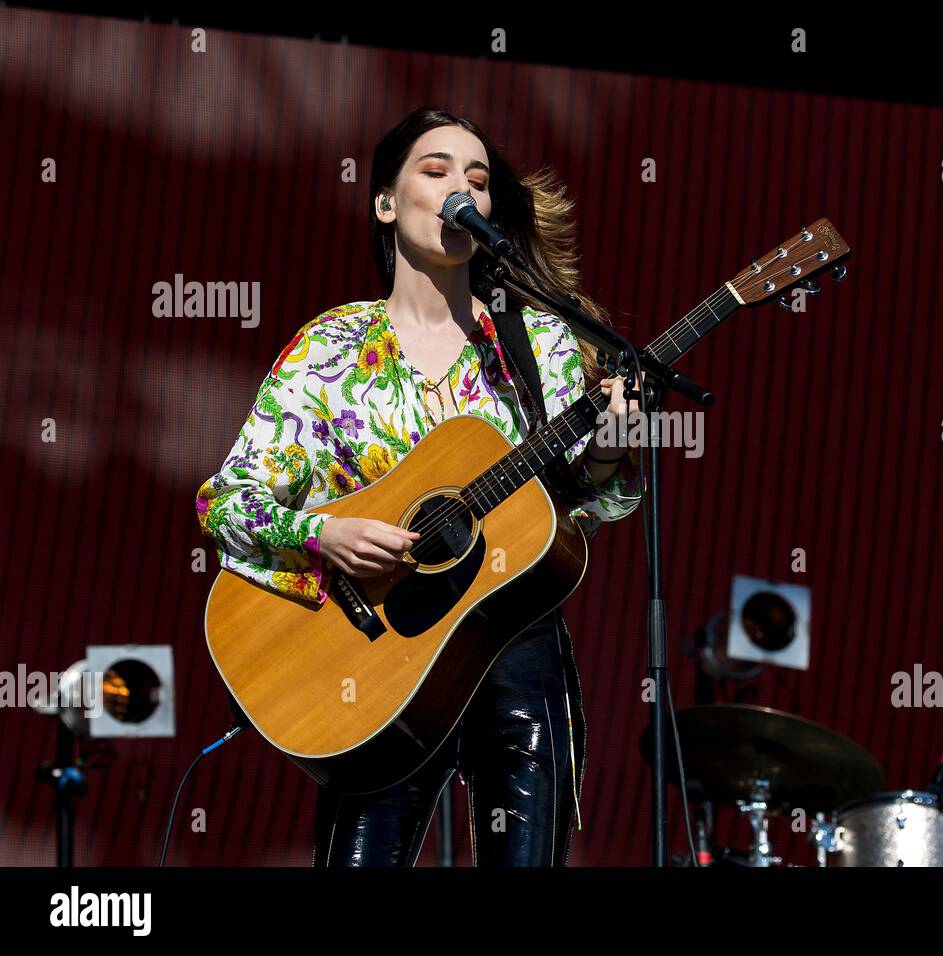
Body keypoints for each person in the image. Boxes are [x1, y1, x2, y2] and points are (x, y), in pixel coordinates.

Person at [195, 107, 642, 866]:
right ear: (384, 201)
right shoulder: (332, 349)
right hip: (374, 665)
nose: (461, 189)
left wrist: (605, 455)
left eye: (478, 179)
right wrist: (323, 533)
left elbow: (591, 505)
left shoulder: (540, 343)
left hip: (513, 650)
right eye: (435, 172)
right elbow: (225, 502)